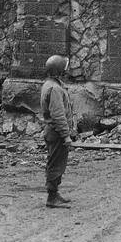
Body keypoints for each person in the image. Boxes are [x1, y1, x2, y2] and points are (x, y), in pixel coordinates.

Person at [40, 54, 77, 208]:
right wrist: (66, 136)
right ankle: (51, 197)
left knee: (57, 163)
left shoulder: (50, 84)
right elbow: (58, 115)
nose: (66, 72)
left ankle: (54, 193)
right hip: (56, 133)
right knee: (56, 165)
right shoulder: (54, 88)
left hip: (54, 132)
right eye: (63, 69)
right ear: (58, 71)